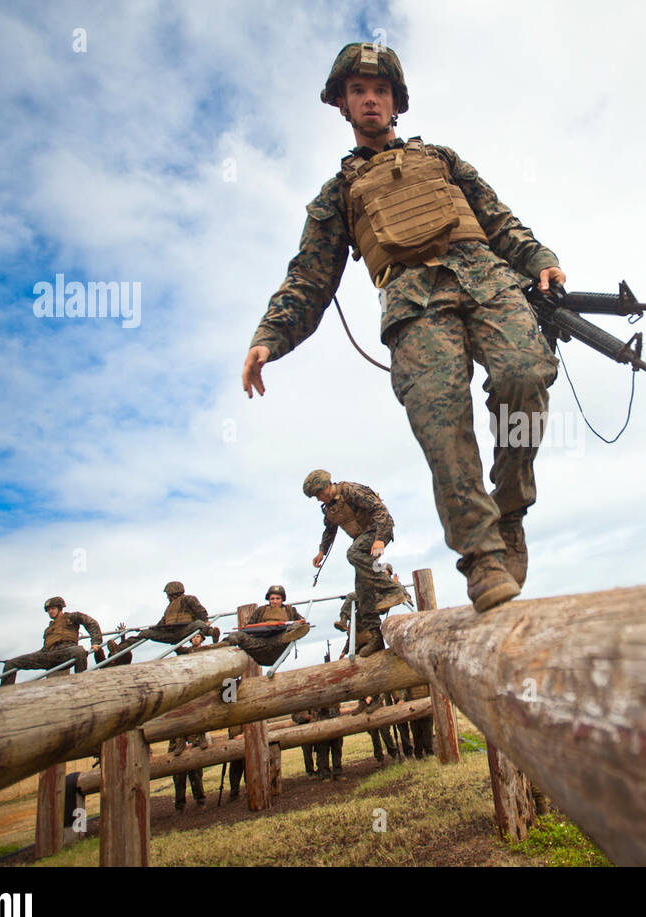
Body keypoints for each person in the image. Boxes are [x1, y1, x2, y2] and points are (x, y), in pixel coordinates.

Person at [242, 41, 565, 613]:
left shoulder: (441, 158)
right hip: (414, 303)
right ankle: (484, 555)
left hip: (487, 279)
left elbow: (496, 216)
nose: (370, 100)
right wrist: (270, 336)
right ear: (342, 104)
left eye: (380, 91)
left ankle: (510, 510)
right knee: (441, 422)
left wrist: (537, 258)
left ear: (396, 102)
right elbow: (310, 278)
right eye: (358, 91)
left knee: (524, 375)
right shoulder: (337, 194)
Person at [304, 470, 408, 656]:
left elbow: (380, 510)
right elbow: (329, 531)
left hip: (378, 528)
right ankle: (375, 637)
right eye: (316, 497)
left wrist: (380, 539)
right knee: (362, 589)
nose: (319, 499)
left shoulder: (350, 490)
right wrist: (321, 551)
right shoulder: (329, 508)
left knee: (353, 553)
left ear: (327, 485)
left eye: (319, 494)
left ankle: (393, 590)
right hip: (362, 538)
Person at [0, 597, 102, 685]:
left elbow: (91, 623)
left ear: (60, 608)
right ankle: (3, 694)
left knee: (79, 651)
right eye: (48, 610)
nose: (50, 611)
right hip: (48, 654)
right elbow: (44, 648)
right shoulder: (49, 628)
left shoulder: (71, 617)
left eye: (52, 608)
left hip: (66, 651)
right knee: (11, 664)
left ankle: (81, 683)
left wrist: (96, 642)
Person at [136, 582, 219, 649]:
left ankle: (211, 632)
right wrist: (149, 630)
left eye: (168, 594)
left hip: (185, 630)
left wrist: (205, 621)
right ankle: (124, 648)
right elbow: (161, 624)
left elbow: (201, 612)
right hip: (171, 634)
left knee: (198, 623)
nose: (167, 597)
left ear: (172, 593)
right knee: (145, 633)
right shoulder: (169, 608)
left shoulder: (188, 599)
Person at [168, 732, 210, 812]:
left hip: (194, 750)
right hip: (178, 753)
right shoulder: (174, 727)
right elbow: (171, 744)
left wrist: (193, 744)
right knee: (179, 779)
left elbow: (201, 737)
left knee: (196, 776)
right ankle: (180, 806)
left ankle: (200, 801)